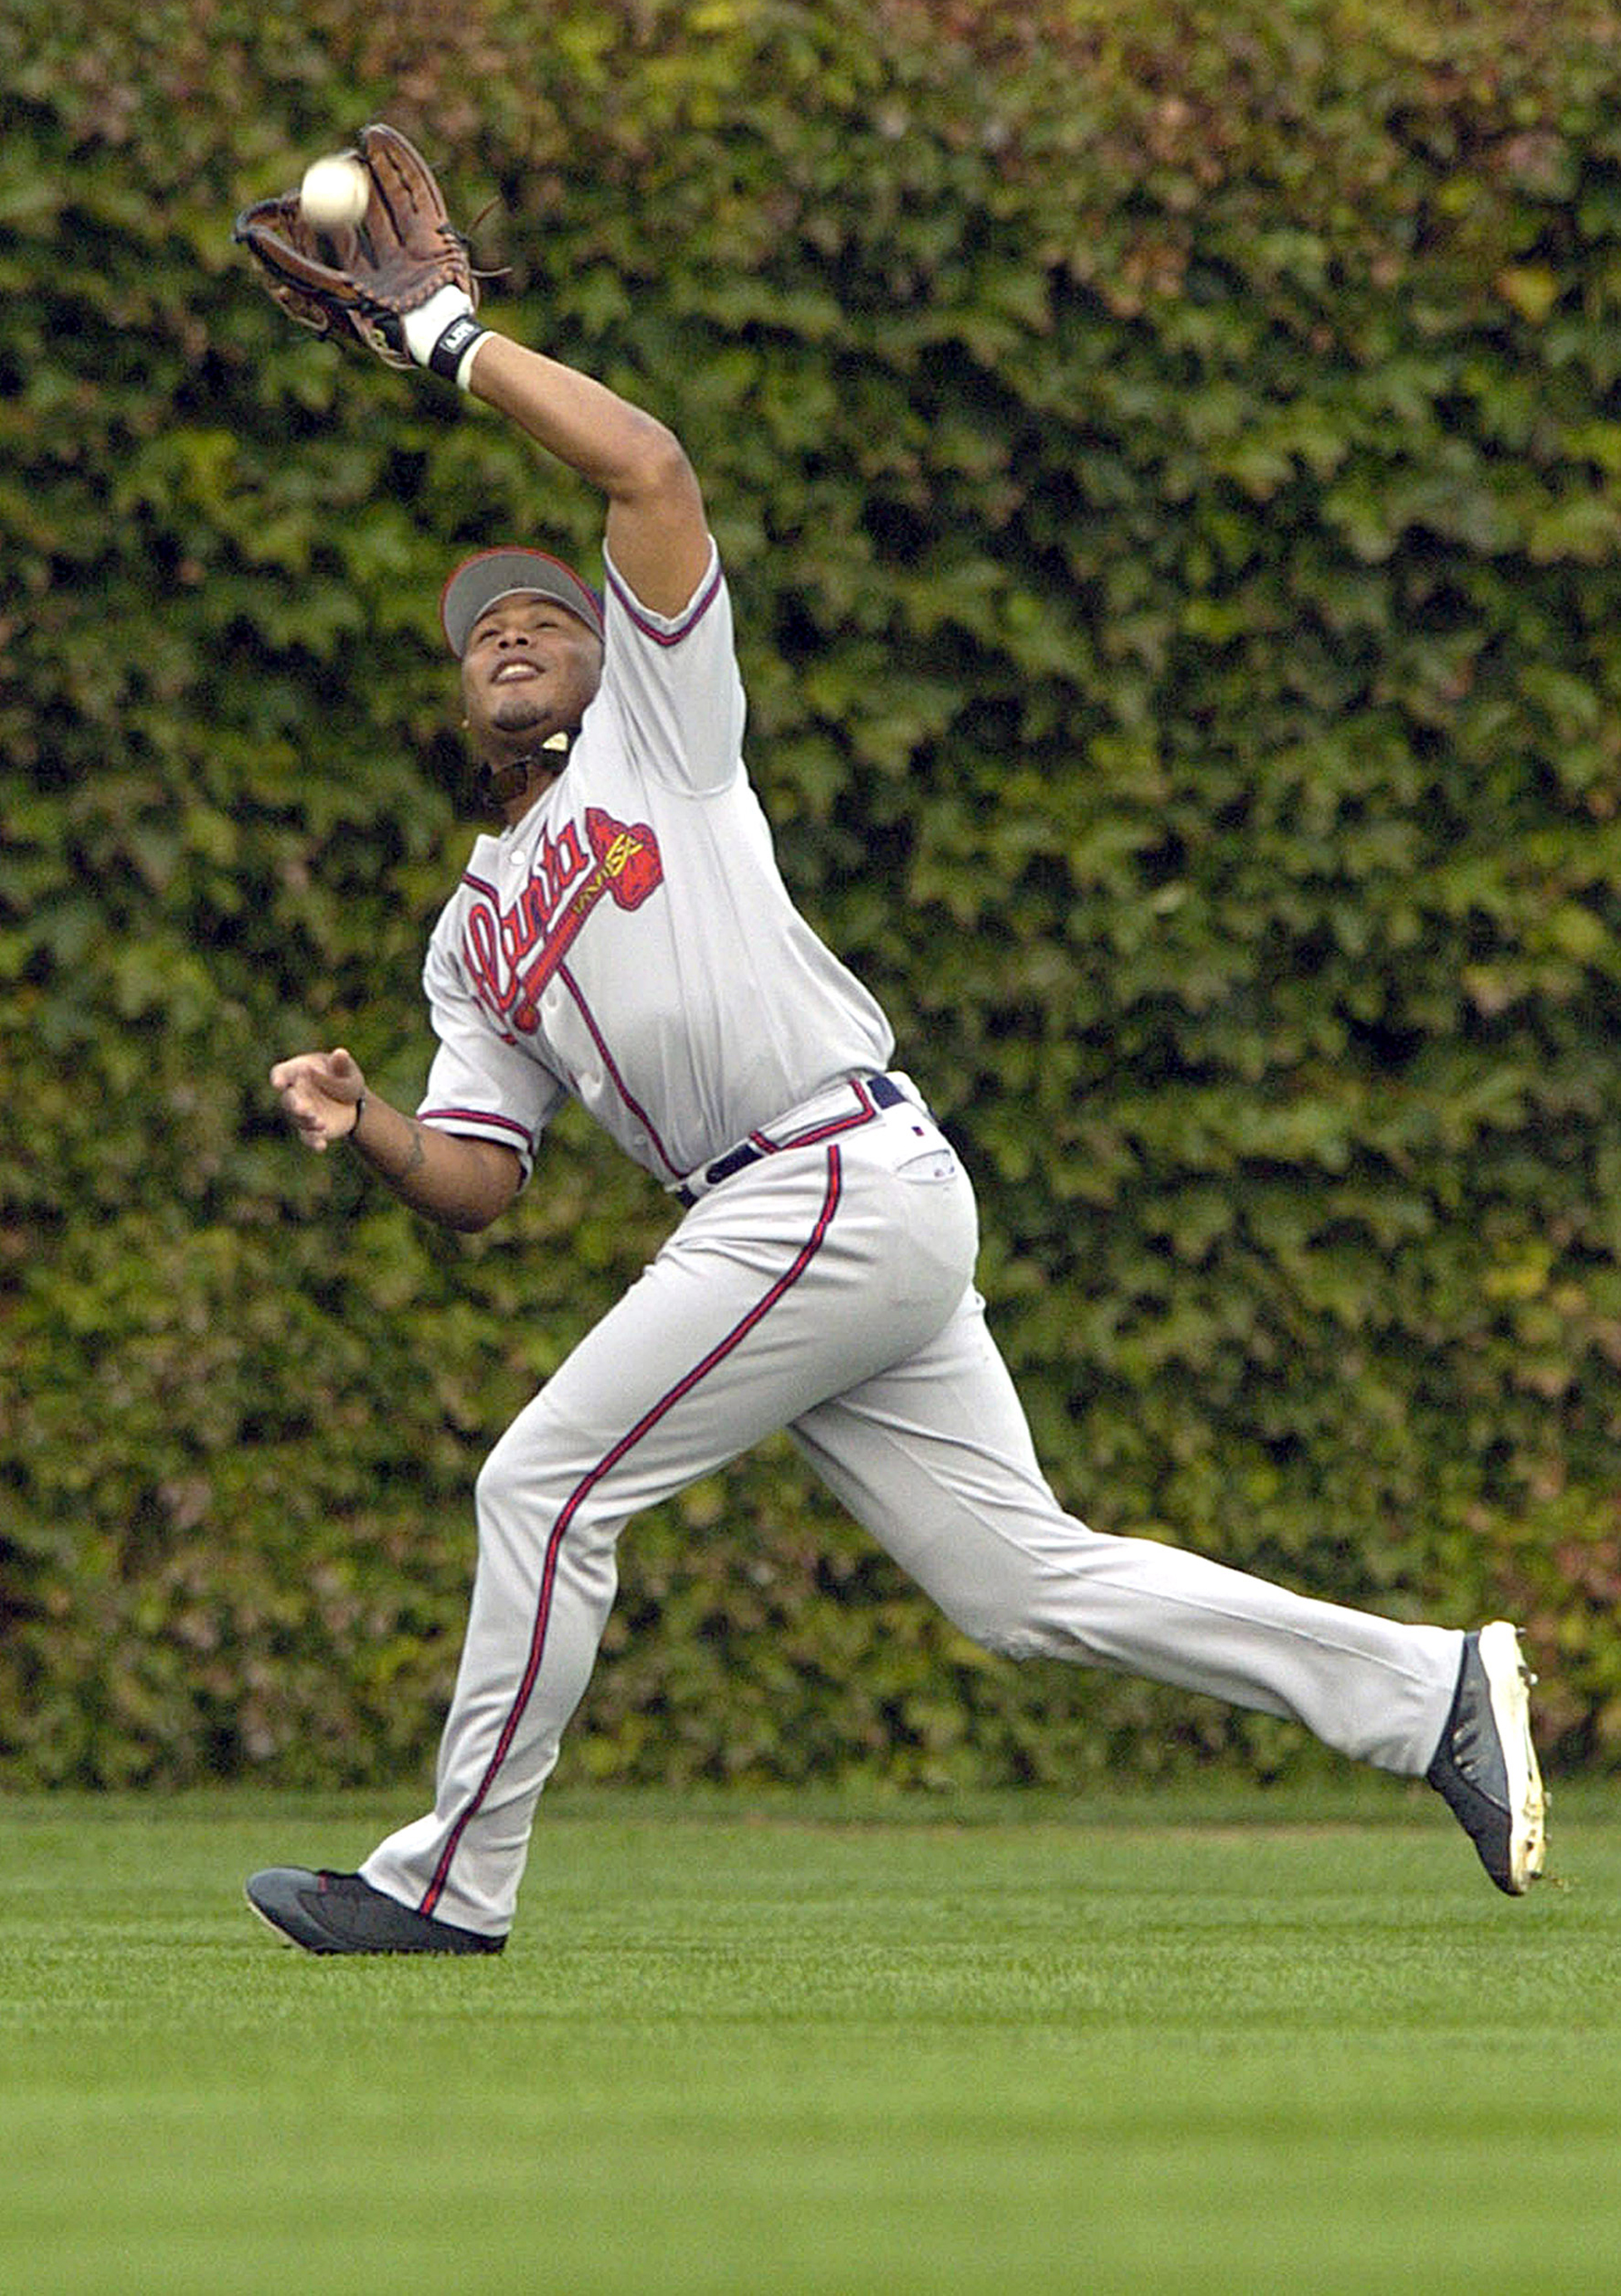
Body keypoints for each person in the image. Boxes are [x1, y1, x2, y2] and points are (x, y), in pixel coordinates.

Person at [245, 270, 1545, 1956]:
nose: (505, 630)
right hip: (809, 1207)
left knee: (545, 1489)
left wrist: (450, 345)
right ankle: (1424, 1688)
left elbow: (646, 469)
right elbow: (485, 1175)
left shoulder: (664, 734)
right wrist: (375, 1135)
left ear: (606, 653)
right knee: (1019, 1584)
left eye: (541, 615)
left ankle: (448, 1887)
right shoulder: (470, 929)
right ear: (457, 696)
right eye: (479, 629)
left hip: (826, 1170)